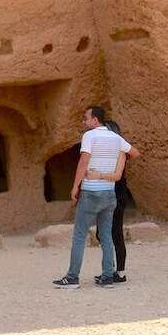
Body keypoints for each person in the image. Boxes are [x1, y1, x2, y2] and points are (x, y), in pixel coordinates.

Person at [54, 106, 130, 289]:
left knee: (80, 235)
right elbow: (133, 152)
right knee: (106, 236)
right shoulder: (116, 138)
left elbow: (84, 161)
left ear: (95, 120)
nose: (84, 122)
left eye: (86, 118)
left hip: (91, 192)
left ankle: (72, 278)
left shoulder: (89, 136)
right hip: (109, 193)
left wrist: (75, 186)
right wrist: (117, 165)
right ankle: (108, 277)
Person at [88, 121, 141, 285]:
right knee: (103, 234)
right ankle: (110, 271)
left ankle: (118, 273)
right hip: (108, 196)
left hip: (115, 197)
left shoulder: (119, 152)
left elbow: (115, 176)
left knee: (115, 234)